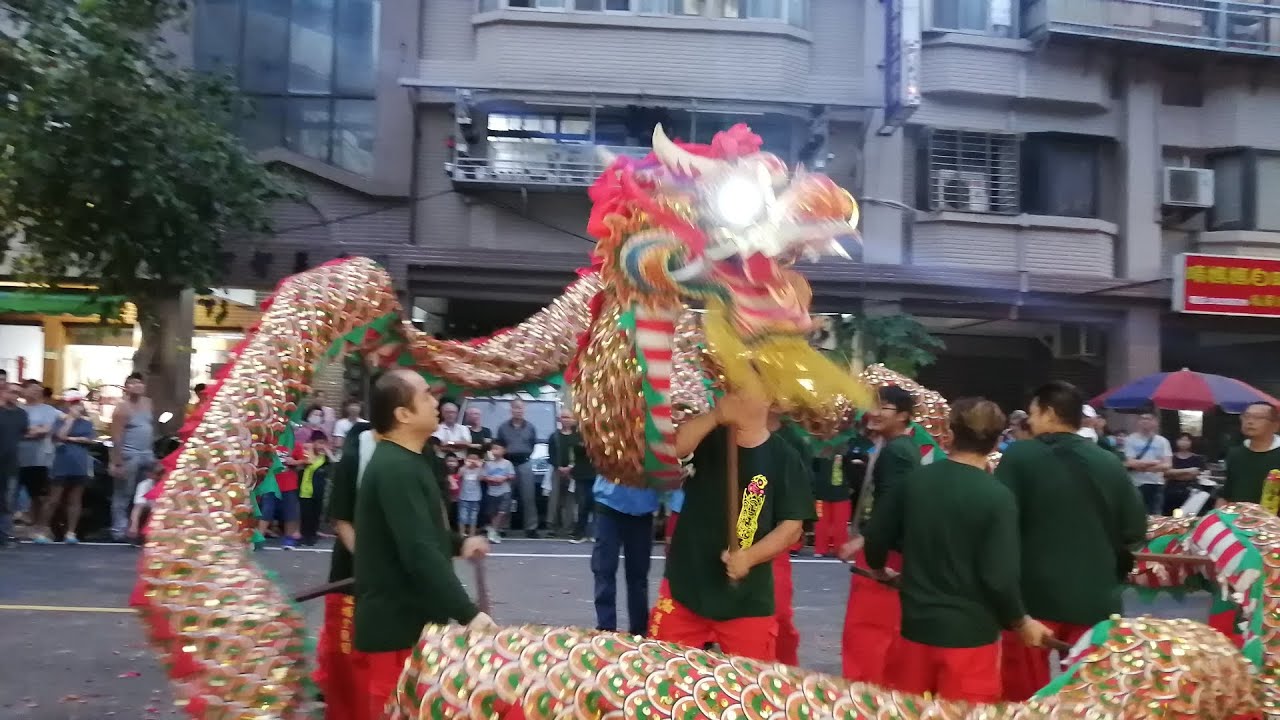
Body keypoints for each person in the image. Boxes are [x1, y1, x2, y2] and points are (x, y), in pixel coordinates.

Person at [860, 398, 1051, 702]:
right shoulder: (997, 497)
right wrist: (1021, 620)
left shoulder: (916, 481)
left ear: (949, 433)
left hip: (915, 629)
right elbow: (999, 577)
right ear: (997, 440)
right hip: (971, 637)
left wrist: (880, 569)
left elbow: (876, 537)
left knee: (908, 711)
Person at [353, 368, 491, 720]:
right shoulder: (395, 467)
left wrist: (460, 543)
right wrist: (469, 614)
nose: (436, 402)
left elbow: (425, 535)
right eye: (426, 395)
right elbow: (419, 552)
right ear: (403, 414)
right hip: (396, 630)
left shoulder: (408, 461)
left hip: (412, 627)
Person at [995, 381, 1147, 701]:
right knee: (1086, 692)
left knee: (1023, 692)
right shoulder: (1108, 460)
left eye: (1034, 413)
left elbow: (999, 522)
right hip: (1096, 594)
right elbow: (1135, 528)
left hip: (1032, 596)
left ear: (1049, 413)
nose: (1030, 422)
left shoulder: (1020, 456)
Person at [648, 392, 815, 662]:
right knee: (664, 677)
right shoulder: (708, 438)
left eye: (746, 388)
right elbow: (673, 449)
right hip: (684, 590)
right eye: (732, 386)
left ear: (772, 400)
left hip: (747, 602)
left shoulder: (785, 458)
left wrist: (749, 556)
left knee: (750, 691)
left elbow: (792, 527)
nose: (735, 394)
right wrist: (714, 417)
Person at [837, 385, 921, 683]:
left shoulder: (897, 452)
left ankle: (865, 703)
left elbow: (892, 508)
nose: (874, 412)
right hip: (891, 550)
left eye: (884, 407)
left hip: (886, 555)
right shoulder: (894, 446)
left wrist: (866, 543)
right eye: (873, 405)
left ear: (904, 416)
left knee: (867, 637)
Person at [316, 417, 372, 720]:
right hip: (350, 569)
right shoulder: (350, 466)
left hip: (373, 572)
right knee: (344, 638)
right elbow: (340, 520)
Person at [591, 474, 660, 636]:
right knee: (604, 568)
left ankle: (639, 631)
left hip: (643, 507)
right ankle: (606, 628)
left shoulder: (657, 447)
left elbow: (665, 467)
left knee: (638, 574)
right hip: (608, 502)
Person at [35, 396, 96, 544]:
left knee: (75, 499)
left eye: (79, 403)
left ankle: (71, 532)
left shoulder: (87, 423)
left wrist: (71, 439)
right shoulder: (59, 420)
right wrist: (70, 421)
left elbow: (89, 440)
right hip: (61, 463)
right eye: (73, 403)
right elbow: (60, 436)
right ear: (68, 405)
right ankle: (41, 531)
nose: (77, 406)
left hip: (79, 464)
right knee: (53, 499)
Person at [109, 372, 154, 543]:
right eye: (133, 383)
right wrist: (116, 461)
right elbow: (117, 436)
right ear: (126, 387)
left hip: (147, 453)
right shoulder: (121, 408)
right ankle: (119, 529)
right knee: (123, 493)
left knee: (145, 493)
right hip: (129, 454)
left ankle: (140, 528)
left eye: (140, 383)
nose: (137, 386)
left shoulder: (148, 403)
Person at [18, 380, 63, 539]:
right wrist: (29, 432)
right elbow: (13, 430)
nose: (36, 392)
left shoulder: (49, 410)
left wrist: (27, 432)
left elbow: (45, 430)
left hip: (40, 458)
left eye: (39, 389)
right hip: (18, 458)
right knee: (13, 493)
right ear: (24, 391)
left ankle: (39, 526)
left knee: (38, 495)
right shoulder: (19, 409)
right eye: (32, 389)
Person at [1219, 402, 1280, 509]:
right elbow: (1226, 493)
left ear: (1275, 425)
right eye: (1246, 416)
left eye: (1259, 417)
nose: (1250, 421)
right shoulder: (1235, 453)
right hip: (1235, 520)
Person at [495, 399, 539, 537]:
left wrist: (524, 456)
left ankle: (531, 528)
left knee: (528, 496)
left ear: (524, 410)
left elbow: (533, 445)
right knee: (506, 496)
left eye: (520, 408)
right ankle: (503, 528)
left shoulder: (531, 427)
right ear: (511, 409)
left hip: (525, 463)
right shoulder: (502, 427)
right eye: (515, 408)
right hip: (507, 463)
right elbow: (500, 445)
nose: (518, 411)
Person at [548, 409, 595, 538]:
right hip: (557, 471)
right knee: (554, 499)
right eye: (563, 417)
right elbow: (550, 454)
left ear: (573, 419)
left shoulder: (579, 436)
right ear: (559, 419)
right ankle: (552, 527)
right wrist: (558, 467)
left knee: (571, 500)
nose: (566, 420)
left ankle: (568, 527)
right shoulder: (554, 436)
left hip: (575, 472)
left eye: (568, 417)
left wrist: (570, 468)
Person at [1124, 412, 1172, 515]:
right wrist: (1154, 462)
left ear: (1155, 422)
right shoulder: (1130, 440)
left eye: (1149, 419)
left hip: (1156, 483)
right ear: (1138, 422)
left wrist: (1143, 467)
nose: (1145, 421)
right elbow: (1130, 462)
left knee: (1155, 515)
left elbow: (1168, 465)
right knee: (1135, 514)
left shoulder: (1162, 441)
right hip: (1135, 483)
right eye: (1142, 418)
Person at [260, 438, 305, 549]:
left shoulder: (295, 444)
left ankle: (289, 539)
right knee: (266, 511)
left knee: (290, 513)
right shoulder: (269, 443)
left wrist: (294, 462)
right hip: (271, 485)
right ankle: (259, 538)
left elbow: (304, 461)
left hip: (289, 485)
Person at [0, 382, 28, 547]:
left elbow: (23, 434)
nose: (15, 395)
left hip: (11, 464)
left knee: (8, 501)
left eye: (18, 392)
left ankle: (3, 536)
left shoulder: (21, 414)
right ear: (3, 393)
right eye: (11, 391)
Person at [812, 445, 852, 558]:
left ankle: (840, 550)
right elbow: (811, 469)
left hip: (841, 494)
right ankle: (820, 549)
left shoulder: (845, 450)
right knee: (820, 523)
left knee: (840, 524)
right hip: (821, 494)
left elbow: (850, 471)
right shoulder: (816, 450)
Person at [299, 432, 331, 546]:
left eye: (324, 443)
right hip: (306, 490)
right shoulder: (306, 455)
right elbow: (307, 463)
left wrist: (328, 452)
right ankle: (305, 536)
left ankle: (312, 535)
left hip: (318, 491)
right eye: (319, 443)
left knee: (315, 514)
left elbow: (335, 463)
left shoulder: (324, 458)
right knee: (306, 515)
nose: (322, 446)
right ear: (313, 443)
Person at [1163, 433, 1206, 515]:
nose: (1184, 442)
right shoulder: (1170, 457)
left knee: (1190, 515)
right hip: (1172, 490)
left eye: (1187, 440)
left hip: (1192, 489)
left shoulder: (1197, 458)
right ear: (1176, 441)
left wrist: (1176, 473)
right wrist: (1188, 471)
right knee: (1171, 515)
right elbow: (1166, 473)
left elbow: (1197, 473)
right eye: (1181, 439)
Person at [482, 443, 515, 543]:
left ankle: (493, 530)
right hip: (492, 491)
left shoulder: (507, 463)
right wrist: (490, 479)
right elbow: (483, 476)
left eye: (497, 448)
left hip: (504, 490)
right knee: (492, 512)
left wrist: (504, 478)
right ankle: (494, 532)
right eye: (493, 449)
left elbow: (512, 475)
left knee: (502, 512)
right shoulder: (488, 464)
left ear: (504, 450)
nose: (495, 451)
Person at [457, 448, 485, 537]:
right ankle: (461, 533)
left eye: (475, 459)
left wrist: (480, 467)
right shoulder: (463, 469)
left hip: (475, 497)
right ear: (466, 460)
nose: (472, 461)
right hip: (463, 496)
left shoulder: (479, 470)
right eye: (470, 459)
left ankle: (471, 534)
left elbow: (482, 478)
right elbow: (458, 476)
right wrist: (465, 466)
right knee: (462, 516)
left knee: (473, 517)